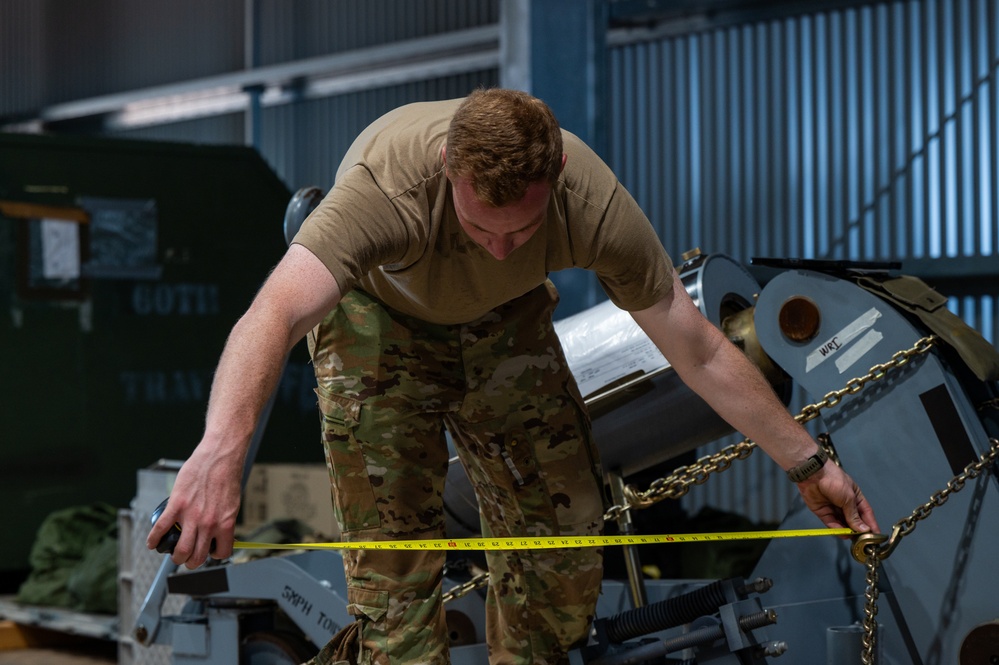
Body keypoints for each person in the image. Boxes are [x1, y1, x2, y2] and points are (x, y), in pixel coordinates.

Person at [147, 87, 879, 665]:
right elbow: (270, 315)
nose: (499, 248)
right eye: (480, 228)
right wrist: (219, 456)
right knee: (396, 584)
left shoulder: (590, 200)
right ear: (448, 168)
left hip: (504, 320)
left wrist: (808, 463)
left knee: (563, 551)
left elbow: (699, 349)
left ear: (554, 179)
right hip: (378, 324)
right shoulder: (384, 189)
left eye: (521, 232)